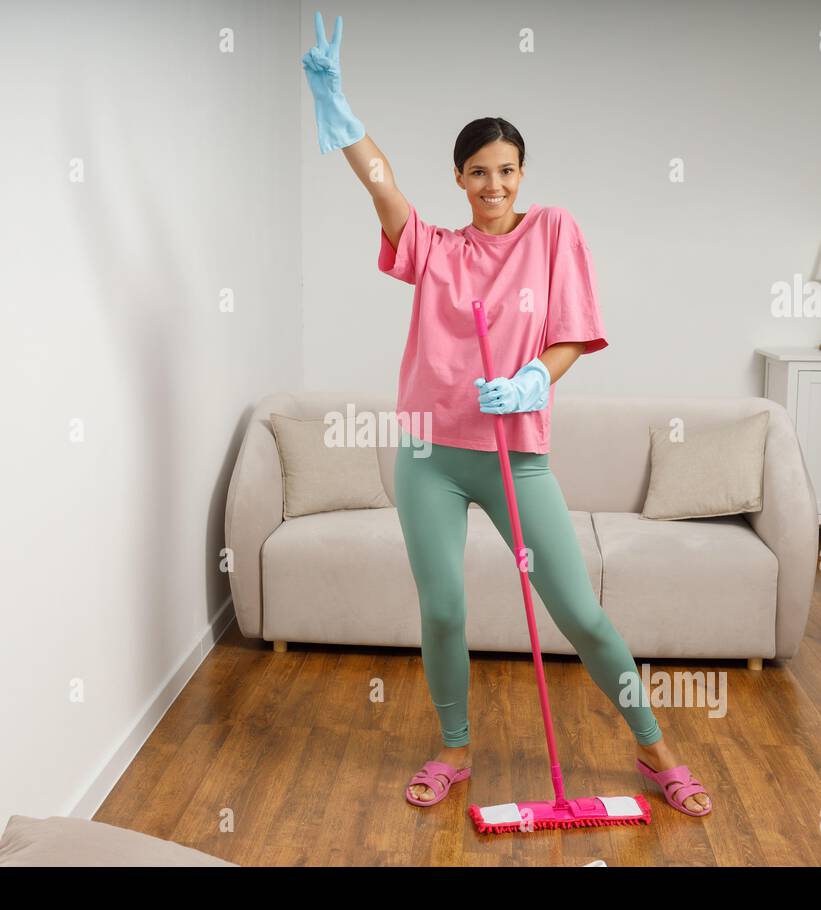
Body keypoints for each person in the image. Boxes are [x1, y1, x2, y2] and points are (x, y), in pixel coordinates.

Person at [302, 11, 712, 818]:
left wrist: (534, 378)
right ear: (459, 179)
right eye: (478, 172)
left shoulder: (554, 231)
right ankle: (454, 750)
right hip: (430, 457)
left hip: (514, 455)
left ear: (523, 175)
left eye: (507, 170)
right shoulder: (437, 251)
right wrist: (344, 117)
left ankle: (654, 744)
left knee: (582, 613)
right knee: (444, 607)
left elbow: (571, 335)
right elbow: (384, 190)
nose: (494, 185)